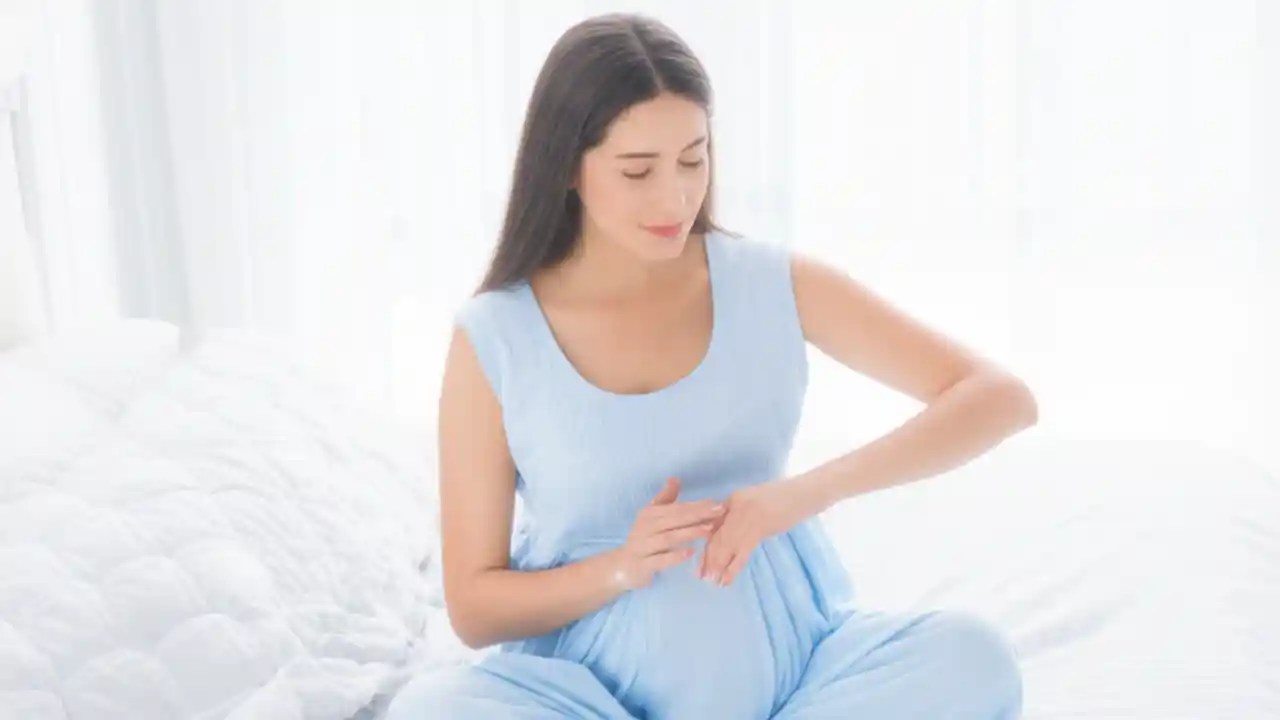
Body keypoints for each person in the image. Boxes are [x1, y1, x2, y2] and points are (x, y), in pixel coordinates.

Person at [387, 12, 1036, 719]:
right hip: (590, 694)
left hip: (798, 678)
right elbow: (475, 608)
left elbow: (1000, 397)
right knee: (433, 710)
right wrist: (621, 568)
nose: (675, 198)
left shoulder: (771, 283)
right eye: (638, 170)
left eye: (694, 159)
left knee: (973, 658)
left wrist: (801, 495)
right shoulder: (496, 335)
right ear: (567, 166)